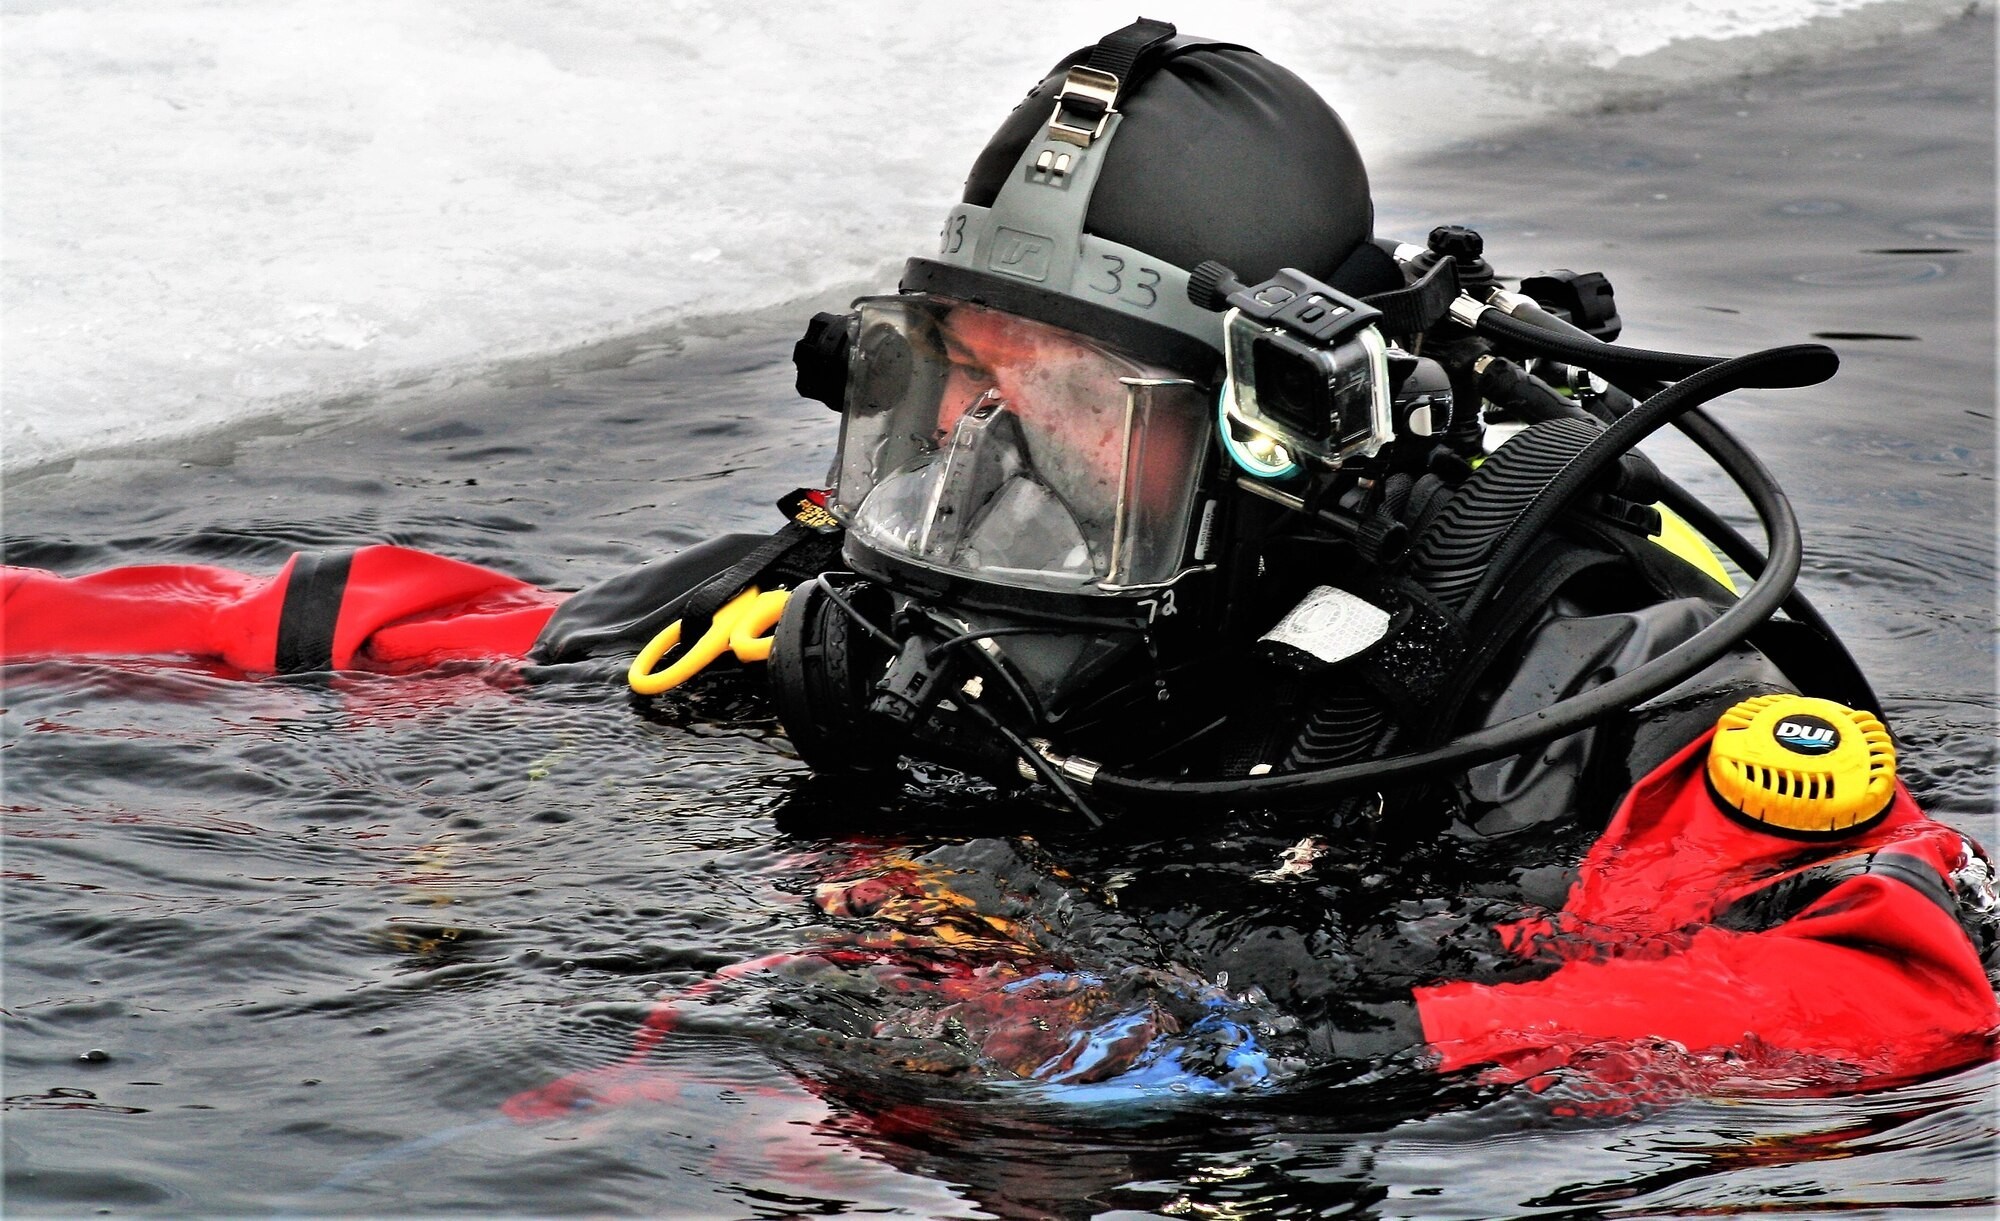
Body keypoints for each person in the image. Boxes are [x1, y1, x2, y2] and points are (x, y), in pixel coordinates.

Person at [4, 19, 1995, 1095]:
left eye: (1067, 418)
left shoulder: (1571, 671)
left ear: (1261, 446)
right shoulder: (899, 604)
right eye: (953, 390)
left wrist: (1351, 1042)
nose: (980, 471)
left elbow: (1898, 981)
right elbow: (436, 624)